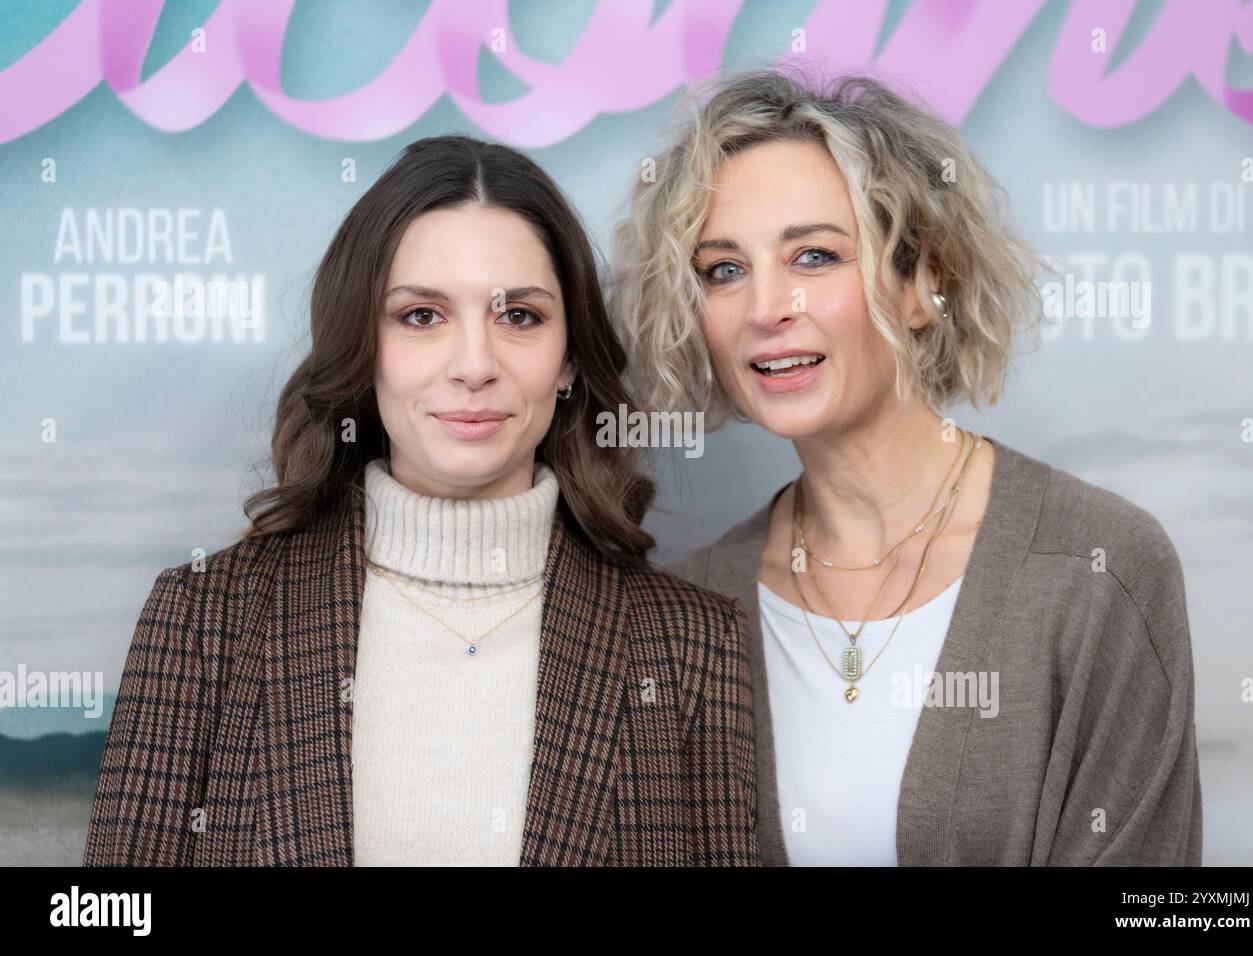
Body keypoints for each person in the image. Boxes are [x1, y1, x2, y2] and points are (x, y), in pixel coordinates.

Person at [84, 135, 759, 867]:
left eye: (519, 316)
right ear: (362, 344)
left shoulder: (693, 645)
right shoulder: (203, 620)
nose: (474, 365)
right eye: (421, 316)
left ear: (569, 358)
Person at [609, 69, 1201, 865]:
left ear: (927, 283)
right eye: (724, 270)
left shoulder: (1098, 568)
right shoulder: (692, 610)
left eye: (814, 256)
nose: (764, 308)